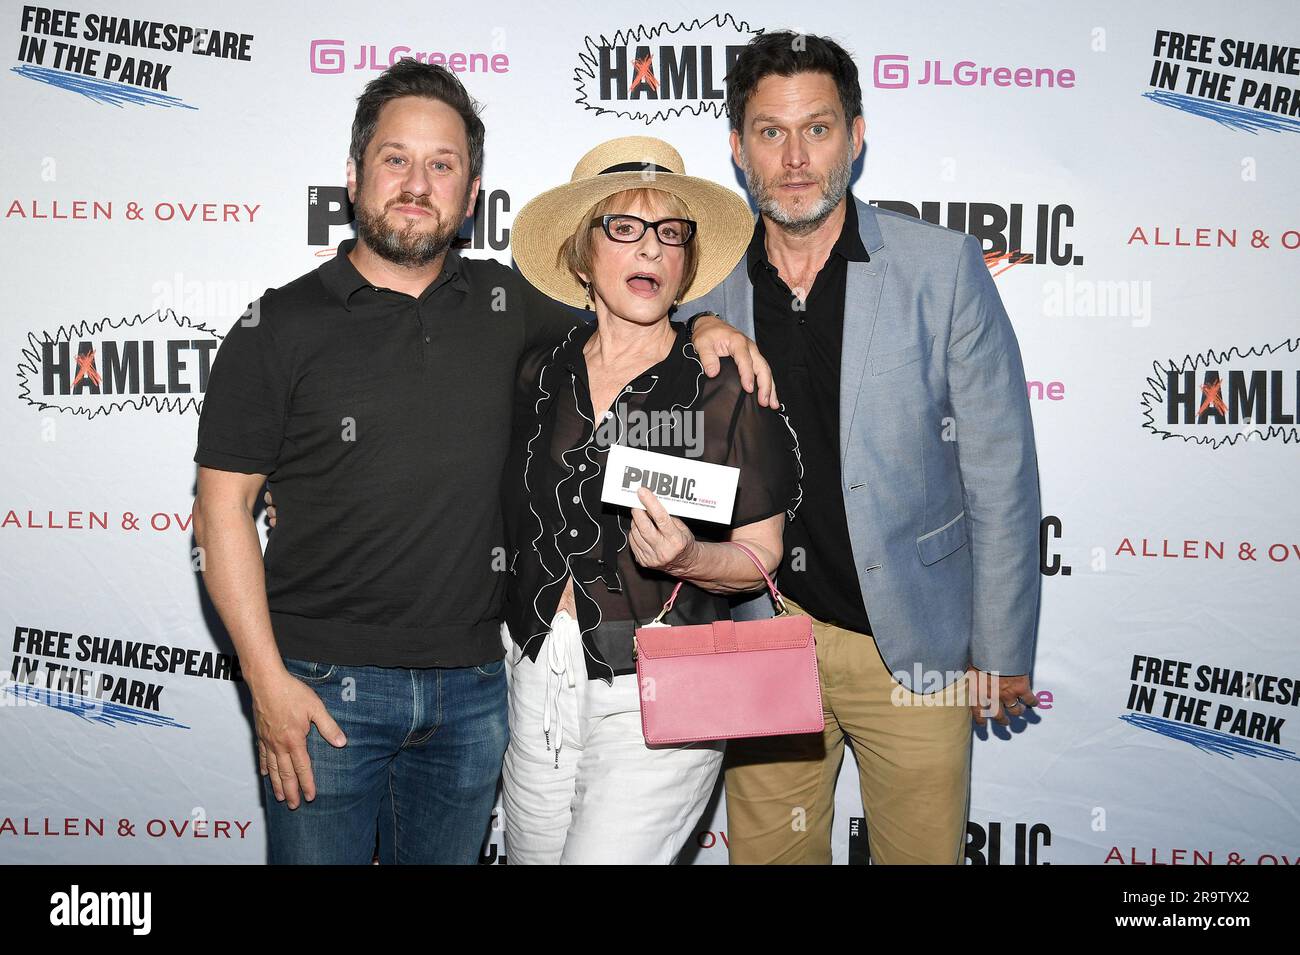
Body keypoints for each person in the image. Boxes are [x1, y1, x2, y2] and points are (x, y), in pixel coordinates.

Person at [192, 60, 773, 865]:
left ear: (472, 193)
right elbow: (220, 509)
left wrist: (711, 325)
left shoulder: (508, 306)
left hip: (477, 690)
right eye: (396, 158)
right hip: (321, 688)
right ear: (354, 174)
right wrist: (265, 678)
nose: (417, 183)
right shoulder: (276, 327)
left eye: (443, 165)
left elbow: (631, 305)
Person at [681, 32, 1043, 864]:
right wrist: (693, 319)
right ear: (738, 148)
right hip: (765, 635)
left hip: (914, 645)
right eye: (771, 132)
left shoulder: (940, 266)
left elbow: (1000, 470)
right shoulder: (706, 284)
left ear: (857, 133)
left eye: (818, 128)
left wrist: (1002, 649)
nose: (796, 156)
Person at [498, 136, 802, 864]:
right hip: (536, 673)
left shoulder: (725, 383)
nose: (652, 250)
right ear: (581, 255)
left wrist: (692, 555)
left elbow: (763, 556)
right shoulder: (539, 369)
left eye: (671, 234)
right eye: (624, 228)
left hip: (666, 685)